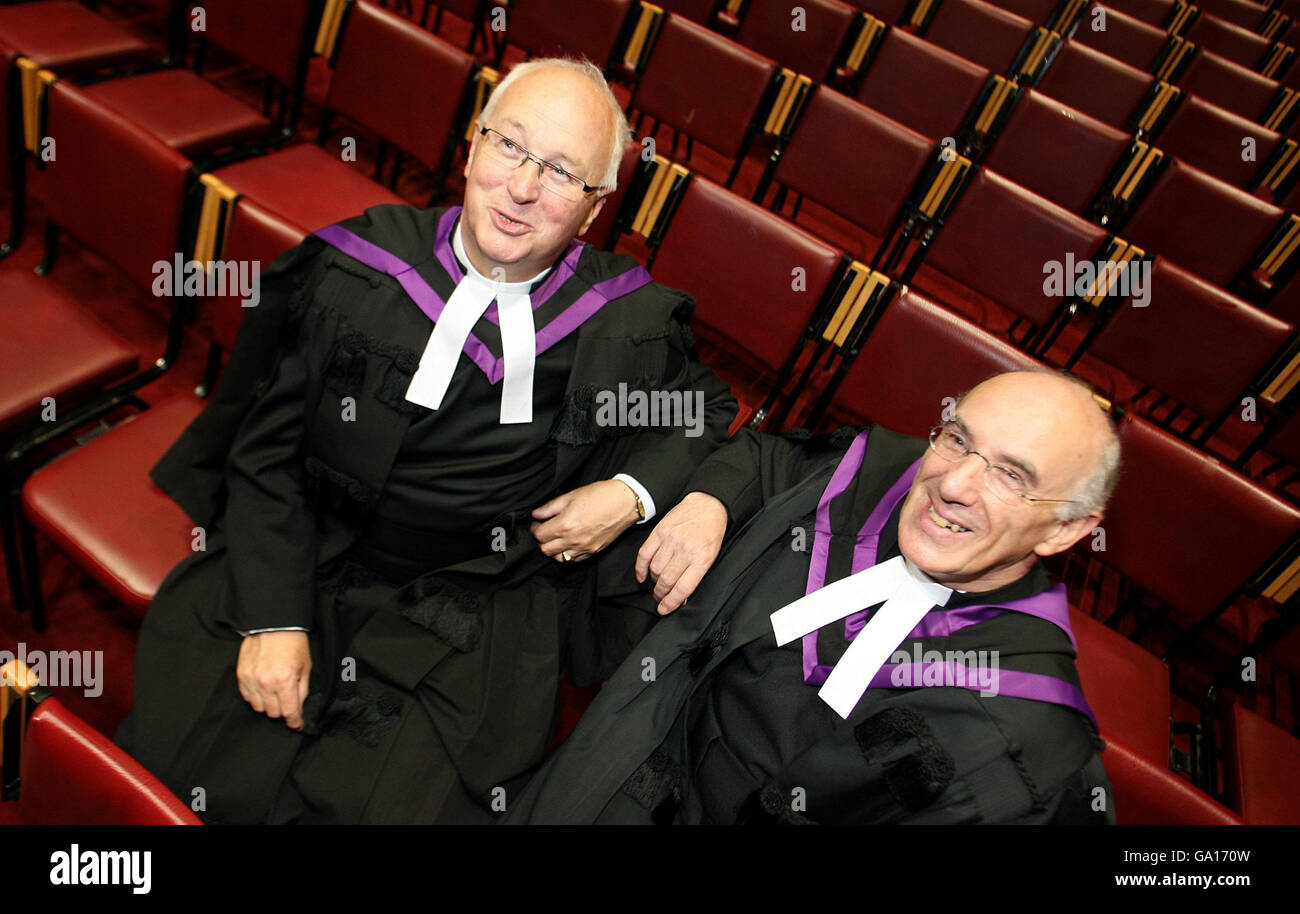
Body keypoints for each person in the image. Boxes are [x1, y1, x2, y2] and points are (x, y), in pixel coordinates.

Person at [114, 57, 737, 824]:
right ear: (472, 146)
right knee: (182, 781)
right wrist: (273, 618)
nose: (522, 188)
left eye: (562, 173)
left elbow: (700, 409)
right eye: (510, 146)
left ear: (595, 207)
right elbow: (263, 450)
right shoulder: (358, 269)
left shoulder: (622, 320)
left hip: (475, 606)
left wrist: (628, 493)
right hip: (313, 554)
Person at [506, 370, 1120, 824]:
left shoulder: (1009, 727)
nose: (953, 484)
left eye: (1011, 476)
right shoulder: (879, 472)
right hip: (644, 725)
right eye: (958, 439)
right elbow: (765, 455)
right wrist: (709, 503)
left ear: (1067, 528)